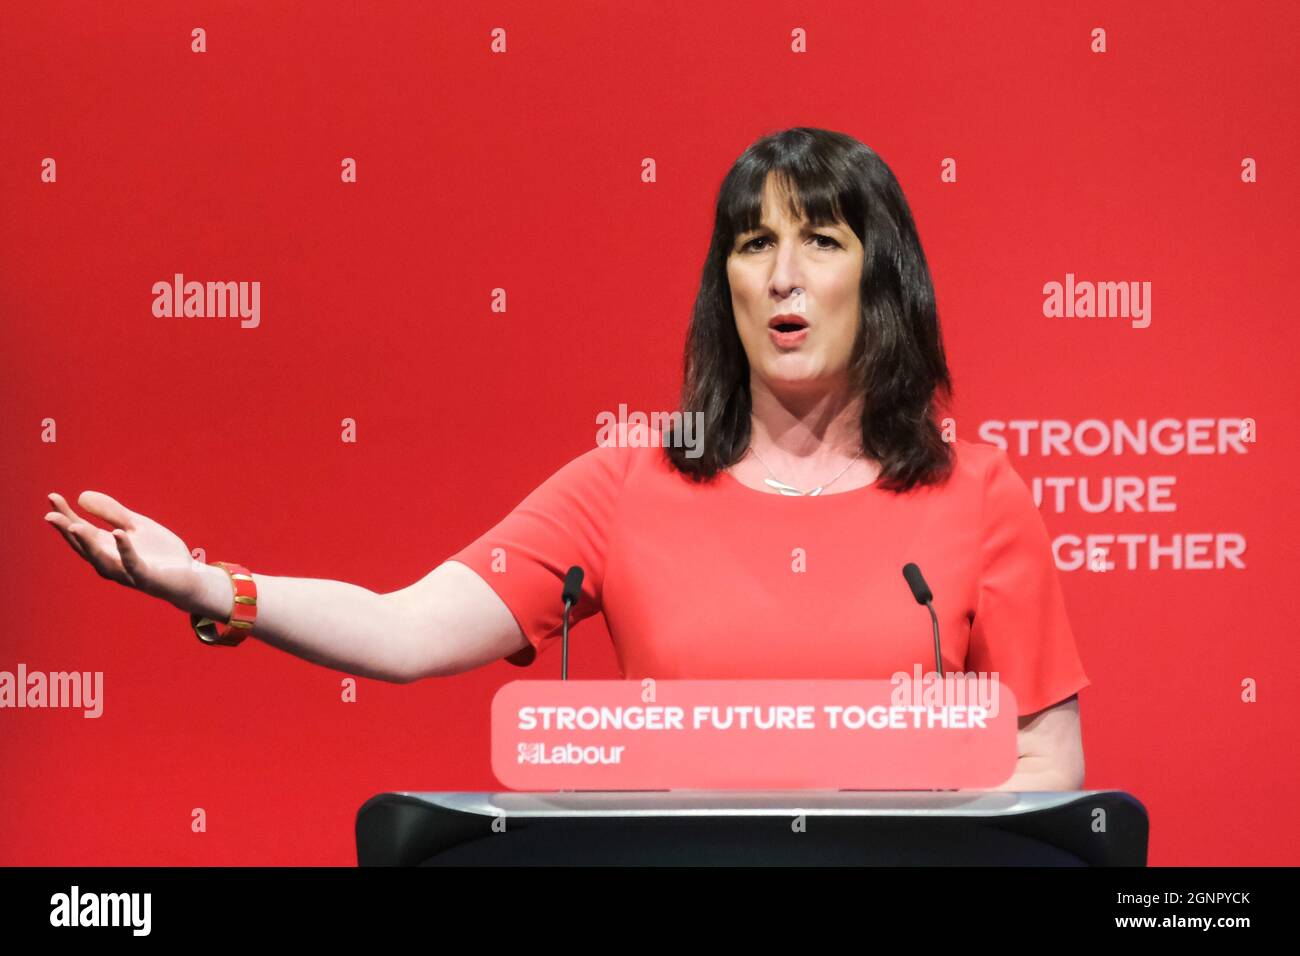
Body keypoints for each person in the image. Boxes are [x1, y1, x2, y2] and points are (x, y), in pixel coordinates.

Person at [43, 127, 1088, 793]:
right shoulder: (628, 484)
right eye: (751, 242)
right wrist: (215, 584)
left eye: (820, 241)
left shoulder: (974, 491)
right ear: (721, 282)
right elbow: (407, 628)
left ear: (881, 280)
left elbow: (1047, 762)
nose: (782, 276)